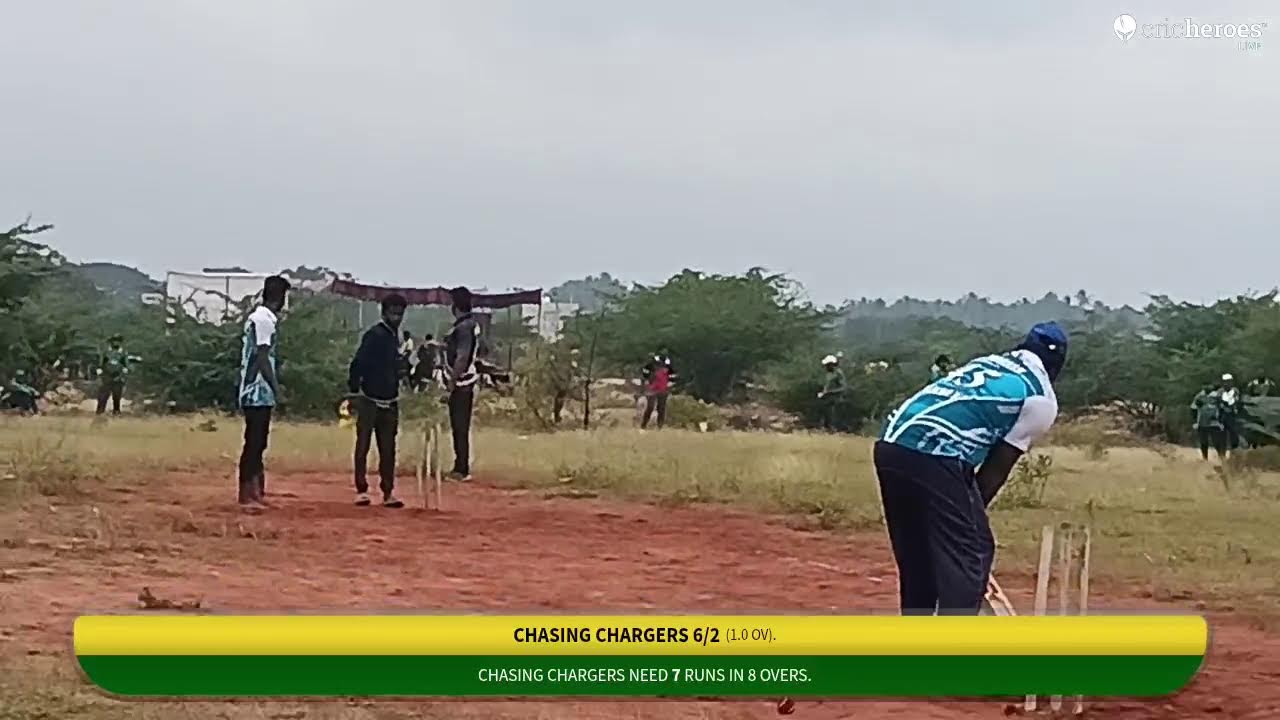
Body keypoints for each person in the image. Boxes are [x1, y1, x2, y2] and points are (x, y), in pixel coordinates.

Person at [874, 321, 1067, 615]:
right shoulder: (1040, 396)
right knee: (972, 551)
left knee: (918, 556)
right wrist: (968, 521)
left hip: (889, 445)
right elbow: (995, 470)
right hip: (935, 453)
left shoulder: (990, 362)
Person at [348, 294, 407, 508]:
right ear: (384, 313)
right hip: (369, 399)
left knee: (388, 448)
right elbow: (358, 363)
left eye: (400, 313)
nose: (397, 317)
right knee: (363, 444)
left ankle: (388, 492)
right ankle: (361, 489)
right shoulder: (374, 335)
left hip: (390, 400)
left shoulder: (395, 337)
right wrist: (355, 390)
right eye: (393, 313)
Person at [237, 276, 290, 511]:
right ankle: (248, 493)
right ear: (280, 297)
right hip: (257, 390)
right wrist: (276, 388)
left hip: (255, 389)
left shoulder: (258, 317)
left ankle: (255, 491)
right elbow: (262, 356)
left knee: (258, 441)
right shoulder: (264, 321)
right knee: (255, 441)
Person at [443, 286, 481, 481]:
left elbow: (462, 356)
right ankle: (460, 465)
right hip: (464, 381)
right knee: (459, 425)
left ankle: (461, 468)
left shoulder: (464, 327)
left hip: (462, 383)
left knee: (459, 425)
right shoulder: (468, 325)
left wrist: (451, 382)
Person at [95, 334, 136, 415]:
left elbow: (126, 364)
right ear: (111, 342)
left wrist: (126, 370)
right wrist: (100, 372)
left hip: (118, 377)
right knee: (103, 396)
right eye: (114, 341)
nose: (116, 343)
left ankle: (116, 413)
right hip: (106, 376)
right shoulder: (106, 352)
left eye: (118, 341)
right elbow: (100, 363)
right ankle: (100, 412)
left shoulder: (123, 353)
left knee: (116, 397)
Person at [1190, 384, 1226, 461]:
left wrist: (1221, 421)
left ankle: (1221, 457)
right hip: (1202, 422)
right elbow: (1193, 408)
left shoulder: (1217, 396)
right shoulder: (1199, 396)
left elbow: (1222, 408)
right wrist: (1195, 422)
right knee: (1203, 442)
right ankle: (1205, 458)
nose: (1207, 387)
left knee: (1216, 441)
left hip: (1214, 422)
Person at [640, 351, 675, 429]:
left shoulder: (667, 363)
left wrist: (670, 382)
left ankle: (660, 427)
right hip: (652, 389)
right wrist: (646, 382)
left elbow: (672, 375)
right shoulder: (650, 365)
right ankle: (643, 425)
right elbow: (645, 375)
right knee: (650, 407)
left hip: (663, 389)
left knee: (661, 407)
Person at [817, 354, 847, 431]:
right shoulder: (828, 374)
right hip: (826, 399)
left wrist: (829, 392)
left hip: (835, 400)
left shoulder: (838, 373)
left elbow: (843, 387)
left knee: (832, 417)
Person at [1219, 373, 1243, 452]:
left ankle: (1234, 454)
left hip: (1232, 416)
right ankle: (1222, 455)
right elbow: (1218, 402)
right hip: (1222, 417)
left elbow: (1236, 401)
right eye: (1225, 381)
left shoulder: (1235, 391)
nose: (1227, 383)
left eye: (1228, 381)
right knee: (1222, 437)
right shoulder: (1220, 391)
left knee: (1234, 436)